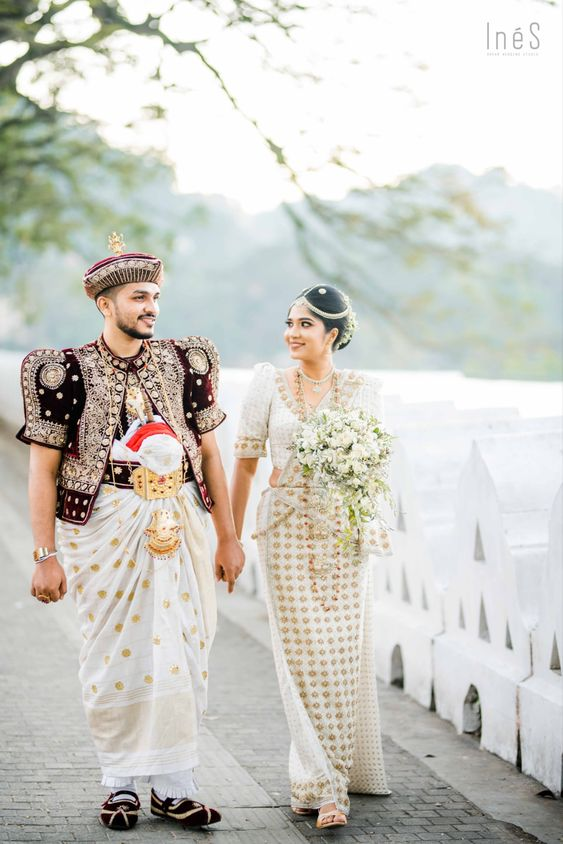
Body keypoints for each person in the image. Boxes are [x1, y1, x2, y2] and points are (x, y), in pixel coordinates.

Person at [17, 233, 244, 831]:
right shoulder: (64, 371)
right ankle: (119, 785)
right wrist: (45, 555)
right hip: (105, 530)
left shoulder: (186, 360)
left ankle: (175, 785)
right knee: (113, 654)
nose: (152, 307)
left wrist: (227, 536)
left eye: (156, 296)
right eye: (140, 297)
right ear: (104, 304)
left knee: (185, 648)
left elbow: (211, 456)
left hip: (183, 524)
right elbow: (42, 470)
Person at [230, 284, 392, 830]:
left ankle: (323, 777)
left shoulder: (362, 389)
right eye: (290, 322)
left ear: (333, 334)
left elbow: (372, 469)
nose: (292, 333)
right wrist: (229, 535)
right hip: (285, 532)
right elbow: (247, 463)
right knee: (300, 660)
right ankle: (327, 790)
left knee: (339, 660)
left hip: (342, 539)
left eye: (305, 325)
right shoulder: (268, 385)